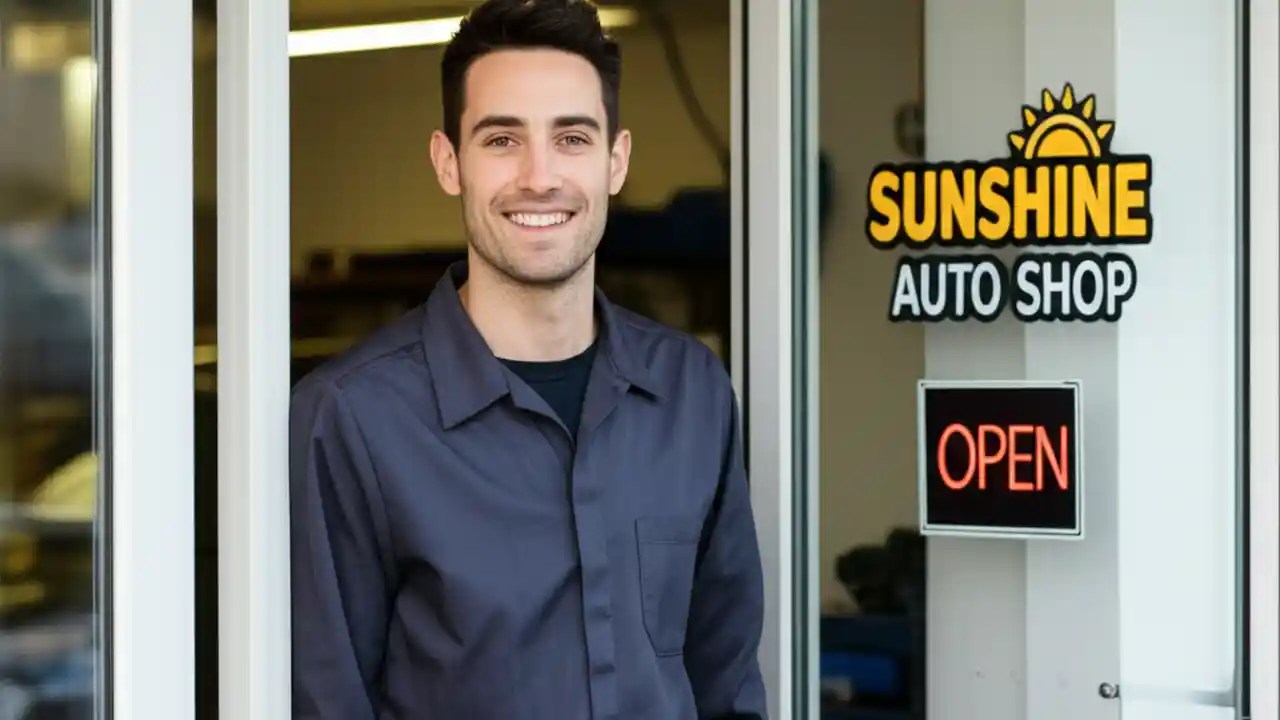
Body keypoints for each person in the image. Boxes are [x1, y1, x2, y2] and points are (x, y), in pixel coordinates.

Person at [288, 1, 768, 717]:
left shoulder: (692, 392)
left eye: (571, 137)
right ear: (450, 163)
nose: (540, 176)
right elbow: (325, 702)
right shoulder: (352, 419)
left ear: (616, 160)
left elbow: (726, 684)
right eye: (502, 139)